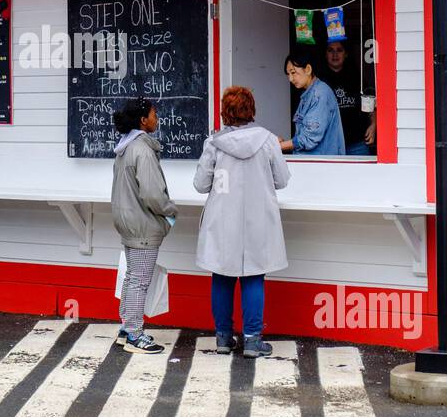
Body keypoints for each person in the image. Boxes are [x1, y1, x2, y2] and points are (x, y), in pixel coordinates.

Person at [193, 85, 290, 358]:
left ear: (225, 113)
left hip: (222, 218)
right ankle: (252, 340)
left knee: (222, 277)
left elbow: (201, 185)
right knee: (254, 276)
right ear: (251, 111)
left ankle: (223, 338)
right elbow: (281, 180)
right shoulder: (269, 140)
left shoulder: (213, 143)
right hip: (258, 218)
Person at [110, 97, 177, 354]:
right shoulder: (143, 150)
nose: (157, 118)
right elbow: (153, 194)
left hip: (128, 222)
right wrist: (171, 211)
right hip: (143, 224)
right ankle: (135, 335)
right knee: (139, 280)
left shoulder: (125, 148)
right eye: (153, 114)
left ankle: (126, 329)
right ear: (143, 120)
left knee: (131, 277)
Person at [279, 47, 345, 156]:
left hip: (321, 167)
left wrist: (278, 146)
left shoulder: (319, 94)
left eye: (293, 72)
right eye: (288, 74)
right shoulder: (308, 94)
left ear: (308, 69)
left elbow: (309, 138)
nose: (290, 79)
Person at [320, 39, 376, 156]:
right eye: (330, 50)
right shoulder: (319, 80)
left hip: (357, 143)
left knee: (359, 175)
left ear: (345, 54)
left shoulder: (356, 77)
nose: (335, 54)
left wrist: (373, 124)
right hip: (329, 143)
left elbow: (370, 103)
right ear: (325, 54)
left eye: (339, 50)